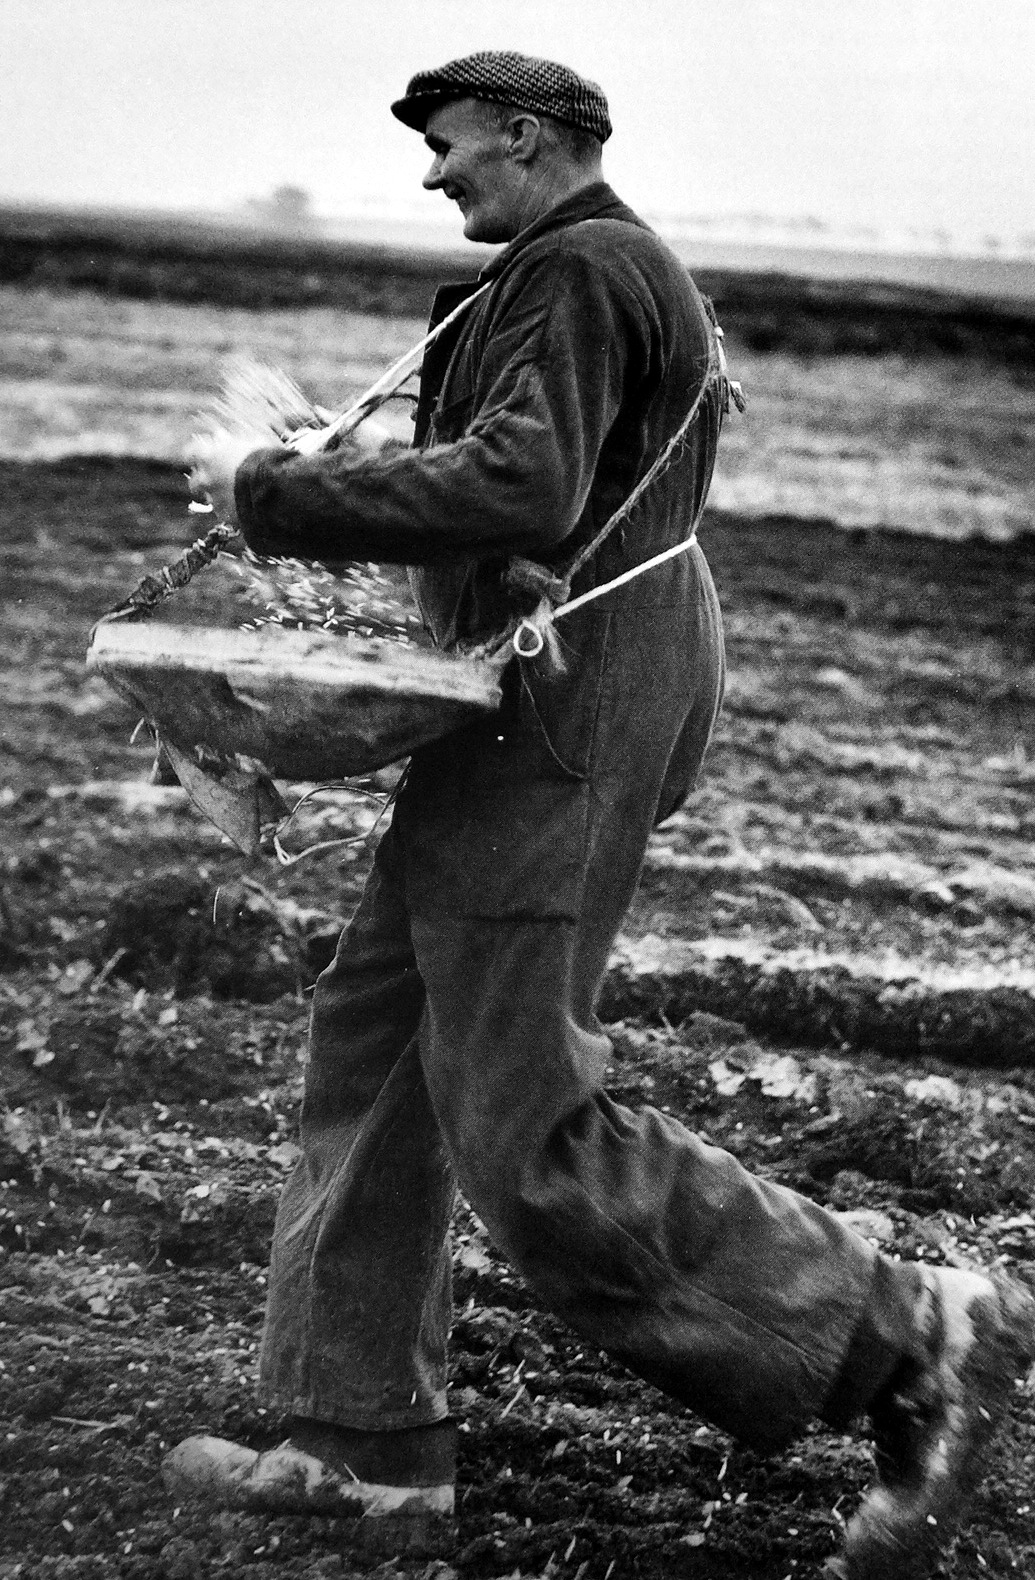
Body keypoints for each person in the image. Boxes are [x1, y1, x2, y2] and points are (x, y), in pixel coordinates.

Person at [167, 51, 1034, 1578]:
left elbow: (524, 481)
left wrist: (270, 497)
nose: (431, 175)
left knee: (523, 1120)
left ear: (525, 136)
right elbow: (539, 471)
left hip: (563, 712)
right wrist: (353, 463)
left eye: (446, 148)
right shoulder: (569, 270)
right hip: (529, 688)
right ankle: (360, 1441)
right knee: (375, 1048)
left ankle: (914, 1332)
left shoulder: (584, 269)